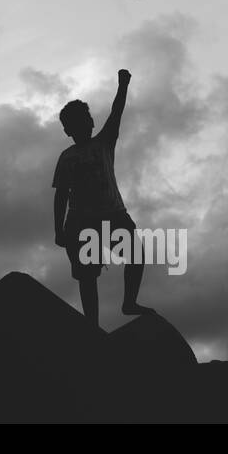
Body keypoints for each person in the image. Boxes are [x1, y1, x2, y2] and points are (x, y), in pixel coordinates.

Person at [52, 68, 153, 327]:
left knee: (136, 254)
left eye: (85, 118)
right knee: (87, 276)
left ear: (92, 122)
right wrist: (59, 230)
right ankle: (92, 326)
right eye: (75, 123)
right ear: (67, 130)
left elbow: (117, 111)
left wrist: (123, 84)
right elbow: (61, 195)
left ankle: (129, 302)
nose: (83, 124)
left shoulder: (104, 142)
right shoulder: (66, 157)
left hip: (113, 215)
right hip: (80, 223)